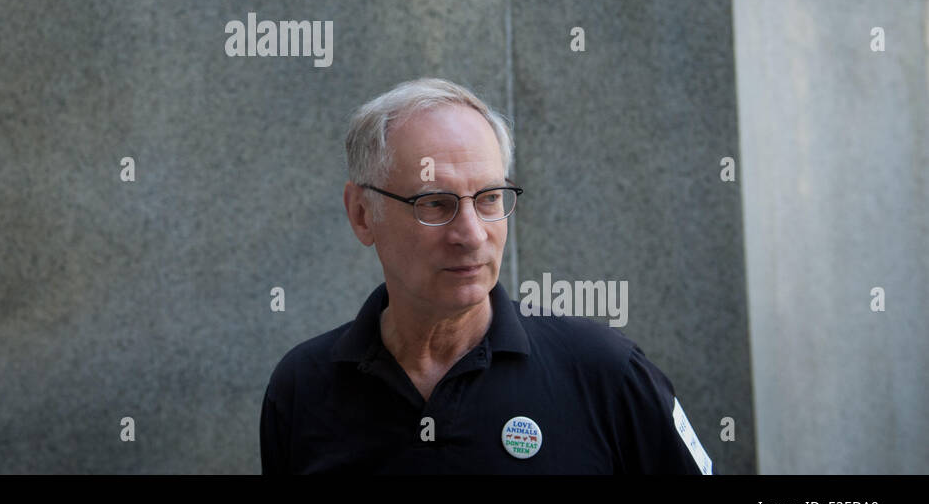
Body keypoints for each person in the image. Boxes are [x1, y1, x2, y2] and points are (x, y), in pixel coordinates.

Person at [259, 77, 712, 474]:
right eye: (435, 203)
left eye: (490, 198)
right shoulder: (303, 388)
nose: (472, 235)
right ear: (362, 214)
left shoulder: (606, 373)